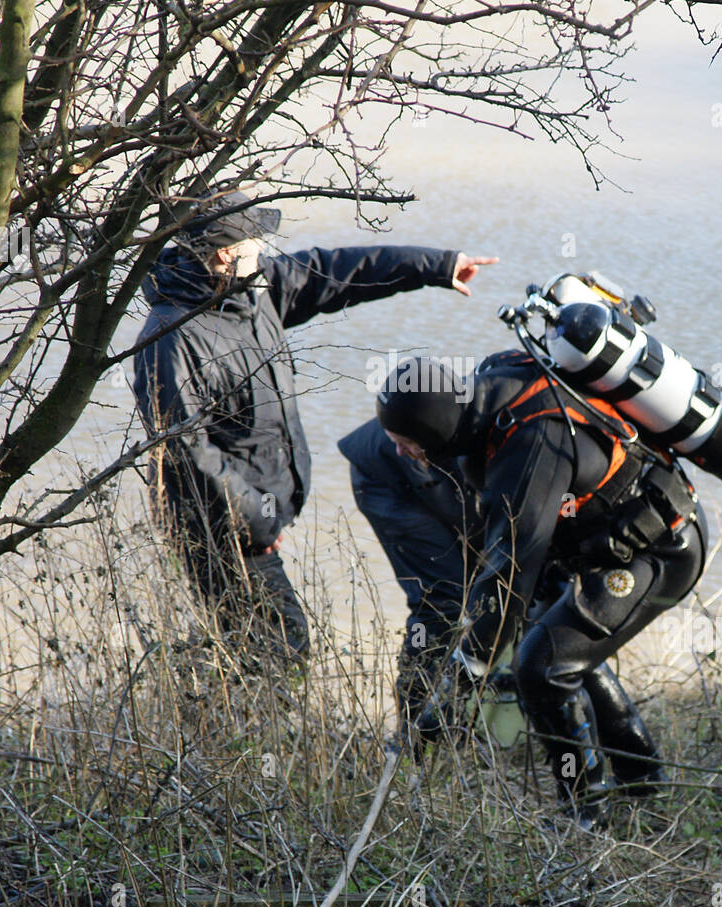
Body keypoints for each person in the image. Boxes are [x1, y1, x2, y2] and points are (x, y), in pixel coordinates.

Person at [339, 349, 708, 828]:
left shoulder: (530, 444)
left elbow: (509, 573)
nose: (399, 453)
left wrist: (462, 675)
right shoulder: (488, 392)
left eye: (405, 442)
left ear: (432, 431)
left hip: (660, 548)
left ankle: (586, 816)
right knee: (559, 643)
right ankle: (643, 786)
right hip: (606, 540)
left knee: (544, 663)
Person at [132, 192, 496, 665]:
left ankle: (195, 689)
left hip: (258, 520)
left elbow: (339, 272)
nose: (262, 252)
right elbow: (188, 452)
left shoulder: (253, 294)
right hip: (221, 527)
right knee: (282, 650)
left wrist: (436, 267)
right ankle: (219, 719)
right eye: (253, 244)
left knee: (258, 648)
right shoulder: (172, 337)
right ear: (225, 255)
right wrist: (258, 523)